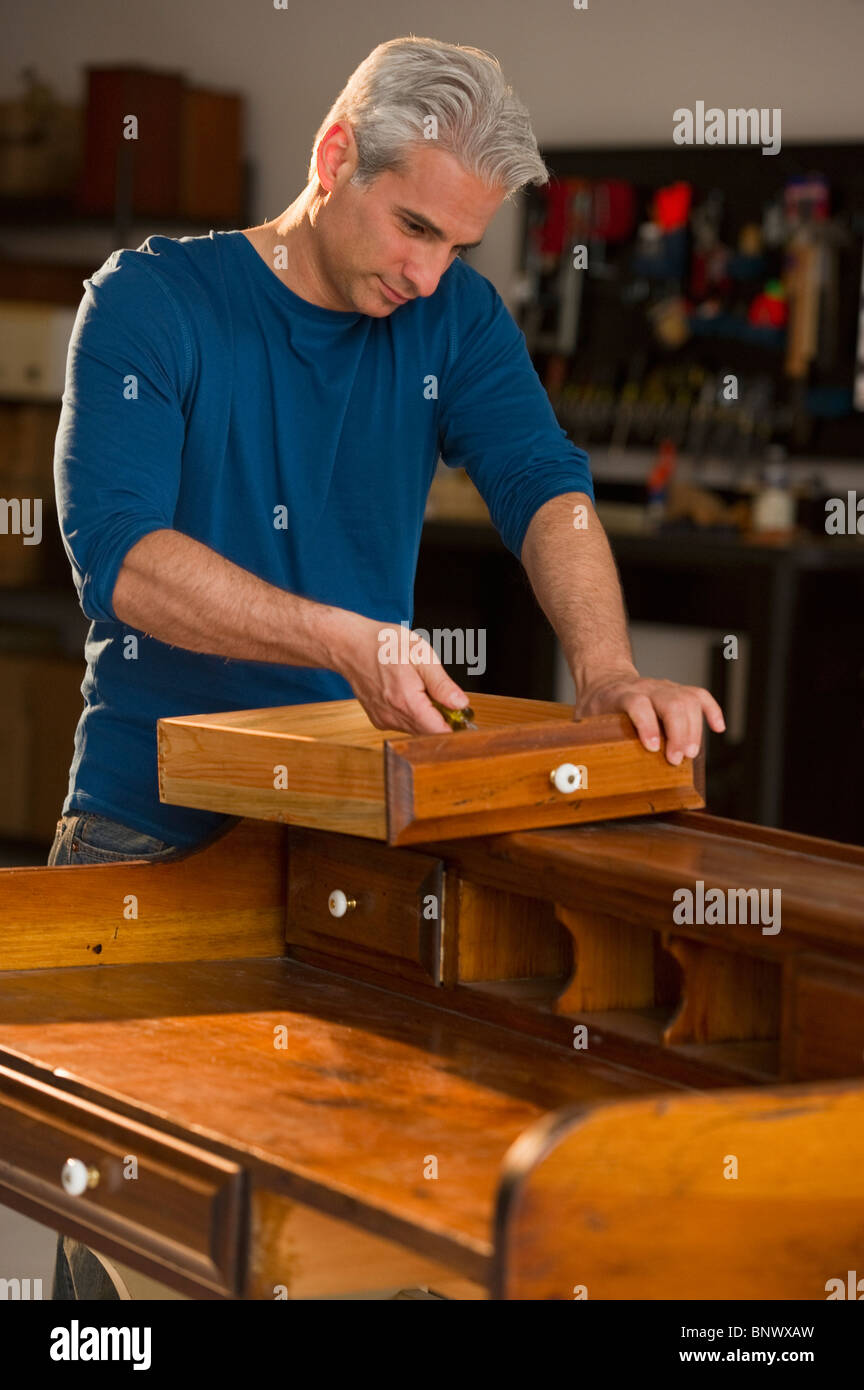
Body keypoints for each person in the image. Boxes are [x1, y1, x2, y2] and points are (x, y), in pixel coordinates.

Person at [49, 35, 725, 1299]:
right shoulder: (150, 302)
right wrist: (340, 638)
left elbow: (547, 486)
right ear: (334, 155)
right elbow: (123, 561)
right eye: (411, 226)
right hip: (148, 839)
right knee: (146, 1248)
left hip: (351, 842)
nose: (426, 276)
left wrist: (611, 667)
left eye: (457, 249)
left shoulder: (451, 318)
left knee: (356, 1232)